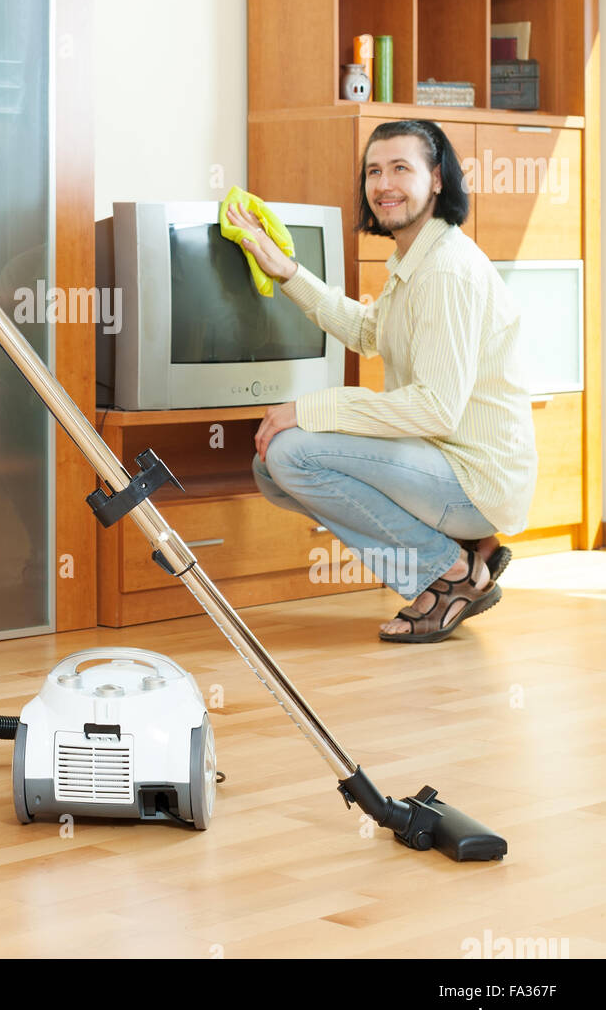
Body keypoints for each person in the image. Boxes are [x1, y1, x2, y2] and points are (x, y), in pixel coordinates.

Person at [230, 119, 537, 644]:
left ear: (437, 179)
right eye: (374, 170)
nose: (383, 184)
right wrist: (286, 271)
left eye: (401, 168)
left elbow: (436, 408)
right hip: (442, 460)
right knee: (270, 467)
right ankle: (462, 553)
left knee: (291, 454)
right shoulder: (414, 259)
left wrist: (310, 410)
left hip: (474, 476)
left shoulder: (444, 271)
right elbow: (368, 333)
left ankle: (451, 574)